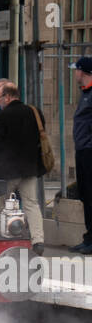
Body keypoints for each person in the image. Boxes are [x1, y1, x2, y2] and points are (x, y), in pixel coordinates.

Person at [0, 79, 46, 246]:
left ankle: (0, 238)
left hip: (8, 170)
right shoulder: (35, 112)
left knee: (1, 206)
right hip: (30, 168)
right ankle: (38, 240)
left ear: (7, 97)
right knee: (31, 204)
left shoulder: (2, 116)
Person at [71, 56, 92, 254]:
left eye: (76, 70)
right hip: (82, 150)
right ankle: (89, 236)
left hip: (89, 151)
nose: (74, 73)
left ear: (83, 71)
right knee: (85, 195)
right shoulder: (85, 93)